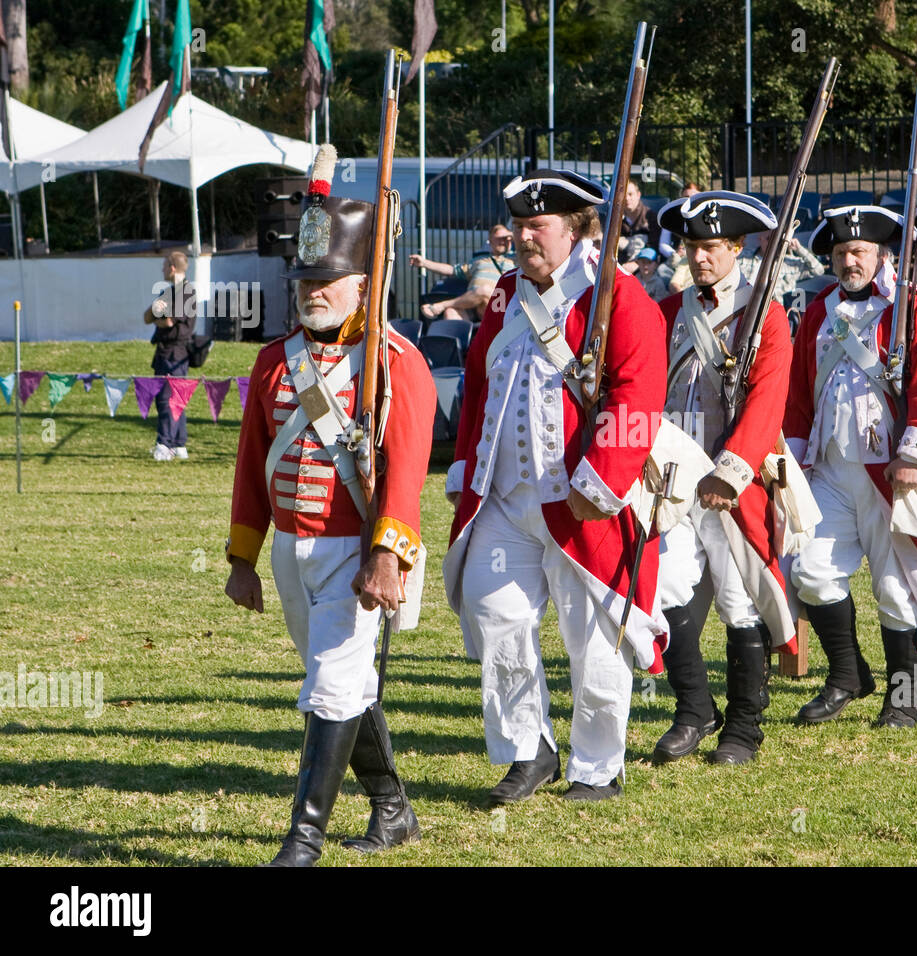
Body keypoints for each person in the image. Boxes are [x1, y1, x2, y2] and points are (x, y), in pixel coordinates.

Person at [224, 145, 436, 866]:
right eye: (305, 277)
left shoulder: (396, 364)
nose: (312, 289)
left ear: (363, 285)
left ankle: (303, 838)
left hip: (356, 553)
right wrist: (242, 557)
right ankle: (394, 807)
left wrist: (386, 554)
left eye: (328, 278)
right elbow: (253, 465)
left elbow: (406, 471)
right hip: (291, 552)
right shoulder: (272, 361)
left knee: (332, 689)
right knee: (340, 686)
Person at [442, 169, 668, 804]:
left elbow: (638, 395)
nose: (523, 236)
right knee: (495, 619)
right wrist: (466, 475)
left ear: (577, 230)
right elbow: (480, 387)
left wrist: (596, 482)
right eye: (518, 225)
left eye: (537, 226)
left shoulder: (619, 298)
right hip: (504, 497)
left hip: (581, 502)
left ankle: (597, 767)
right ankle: (528, 749)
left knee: (593, 638)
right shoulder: (504, 297)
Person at [784, 205, 917, 728]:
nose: (848, 261)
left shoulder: (914, 309)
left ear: (882, 255)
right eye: (840, 253)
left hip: (891, 473)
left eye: (859, 251)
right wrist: (793, 460)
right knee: (812, 572)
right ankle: (847, 675)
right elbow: (799, 393)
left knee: (897, 589)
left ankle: (902, 695)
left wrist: (912, 454)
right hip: (831, 470)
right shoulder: (819, 312)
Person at [651, 190, 797, 766]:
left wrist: (731, 472)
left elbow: (768, 400)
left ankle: (744, 727)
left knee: (740, 604)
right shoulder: (670, 311)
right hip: (674, 477)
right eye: (692, 247)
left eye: (712, 246)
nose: (700, 258)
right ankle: (693, 710)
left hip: (731, 485)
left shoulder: (765, 314)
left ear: (737, 247)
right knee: (665, 589)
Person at [143, 250, 196, 461]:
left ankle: (164, 444)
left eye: (164, 265)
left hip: (176, 355)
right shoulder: (169, 292)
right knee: (174, 399)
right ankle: (179, 444)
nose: (162, 269)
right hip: (164, 353)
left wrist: (158, 315)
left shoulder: (186, 292)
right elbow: (147, 316)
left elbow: (168, 322)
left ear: (172, 268)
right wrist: (156, 311)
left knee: (168, 400)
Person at [409, 224, 514, 322]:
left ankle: (441, 305)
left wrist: (511, 235)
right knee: (451, 312)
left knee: (484, 290)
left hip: (500, 307)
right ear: (490, 241)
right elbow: (451, 270)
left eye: (505, 238)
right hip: (474, 306)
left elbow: (527, 242)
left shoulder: (516, 259)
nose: (503, 241)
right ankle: (459, 341)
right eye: (499, 239)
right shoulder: (478, 260)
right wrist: (424, 263)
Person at [736, 226, 825, 301]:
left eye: (777, 240)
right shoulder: (743, 257)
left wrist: (798, 248)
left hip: (770, 310)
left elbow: (819, 270)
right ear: (760, 238)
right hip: (741, 305)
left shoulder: (788, 263)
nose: (773, 244)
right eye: (769, 239)